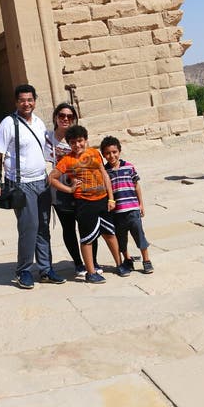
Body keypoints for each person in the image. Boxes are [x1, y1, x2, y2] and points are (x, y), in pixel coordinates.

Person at [0, 84, 65, 290]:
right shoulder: (8, 124)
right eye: (22, 100)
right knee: (28, 227)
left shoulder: (39, 122)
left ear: (35, 101)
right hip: (21, 184)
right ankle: (23, 270)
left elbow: (46, 149)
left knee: (43, 226)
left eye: (30, 100)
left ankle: (46, 269)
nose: (26, 104)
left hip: (42, 182)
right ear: (16, 102)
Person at [49, 124, 130, 284]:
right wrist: (69, 189)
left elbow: (104, 174)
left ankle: (119, 264)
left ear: (85, 140)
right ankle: (91, 272)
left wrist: (111, 198)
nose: (77, 145)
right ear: (69, 144)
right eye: (73, 142)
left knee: (110, 233)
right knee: (87, 238)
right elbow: (52, 178)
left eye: (80, 141)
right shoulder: (67, 160)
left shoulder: (94, 153)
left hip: (103, 200)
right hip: (84, 204)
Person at [44, 103, 99, 279]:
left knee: (88, 226)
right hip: (61, 190)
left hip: (84, 190)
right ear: (55, 117)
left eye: (69, 116)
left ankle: (93, 261)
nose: (65, 119)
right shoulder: (46, 138)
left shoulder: (78, 137)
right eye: (61, 115)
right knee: (68, 227)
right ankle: (78, 262)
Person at [100, 135, 154, 274]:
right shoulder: (105, 172)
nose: (111, 155)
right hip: (117, 213)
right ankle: (127, 259)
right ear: (103, 155)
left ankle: (146, 260)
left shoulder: (129, 167)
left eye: (114, 152)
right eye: (107, 153)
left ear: (119, 151)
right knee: (121, 239)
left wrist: (141, 204)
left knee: (139, 235)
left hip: (132, 210)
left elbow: (136, 186)